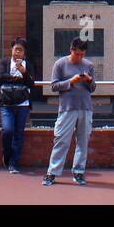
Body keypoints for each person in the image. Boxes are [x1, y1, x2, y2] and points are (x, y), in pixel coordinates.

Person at [43, 37, 95, 186]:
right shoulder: (60, 64)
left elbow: (93, 88)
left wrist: (89, 80)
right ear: (71, 50)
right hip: (67, 107)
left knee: (83, 141)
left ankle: (79, 172)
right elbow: (53, 86)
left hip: (85, 107)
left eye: (82, 54)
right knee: (61, 140)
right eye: (77, 54)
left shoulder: (89, 65)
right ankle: (52, 172)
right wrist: (71, 81)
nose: (79, 57)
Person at [0, 37, 36, 173]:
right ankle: (6, 155)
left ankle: (13, 163)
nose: (18, 53)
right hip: (6, 102)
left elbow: (31, 83)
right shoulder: (4, 62)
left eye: (21, 50)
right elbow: (2, 76)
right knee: (7, 130)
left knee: (19, 133)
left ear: (24, 53)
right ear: (11, 50)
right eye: (16, 49)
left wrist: (24, 72)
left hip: (22, 103)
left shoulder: (28, 66)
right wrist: (18, 78)